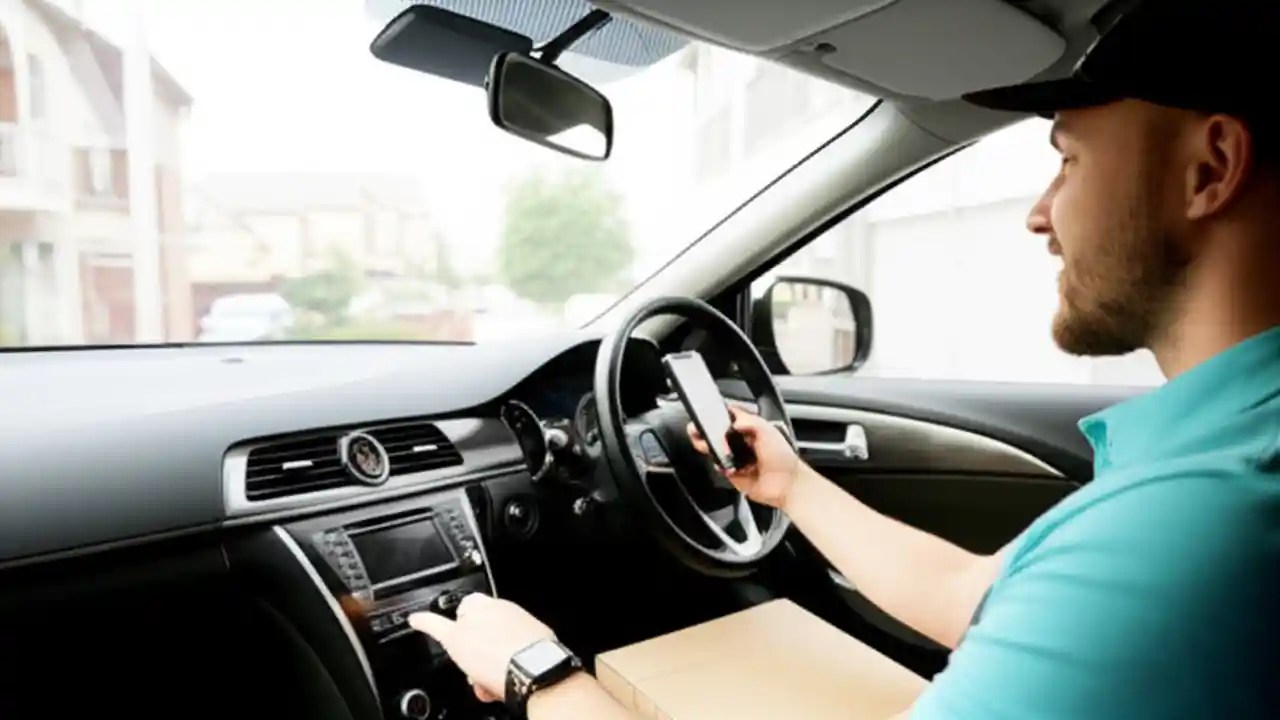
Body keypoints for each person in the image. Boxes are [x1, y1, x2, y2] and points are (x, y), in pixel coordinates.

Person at [410, 1, 1280, 717]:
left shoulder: (1198, 521)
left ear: (1210, 169)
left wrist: (539, 674)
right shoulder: (1221, 465)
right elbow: (975, 597)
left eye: (1070, 163)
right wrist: (791, 484)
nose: (1040, 214)